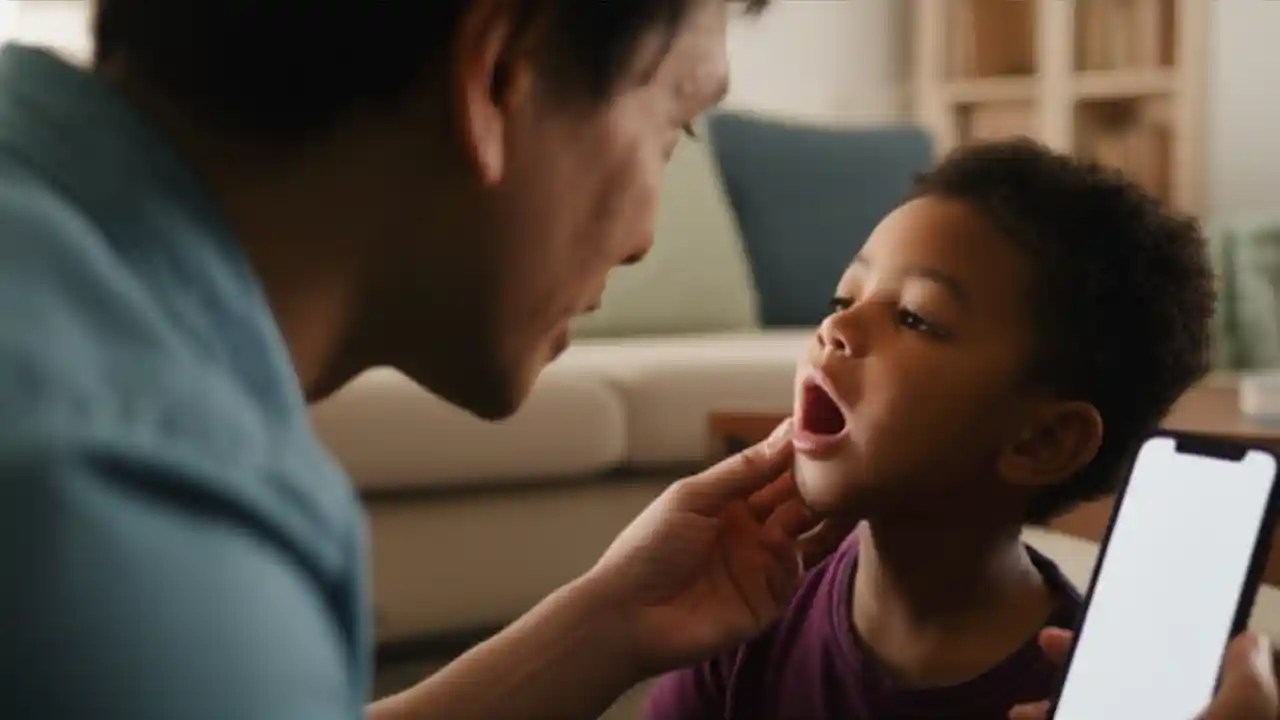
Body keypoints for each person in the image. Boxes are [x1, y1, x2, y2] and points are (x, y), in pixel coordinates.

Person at [0, 2, 1272, 718]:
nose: (653, 221)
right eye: (675, 123)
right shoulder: (130, 531)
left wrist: (603, 624)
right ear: (497, 72)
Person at [642, 140, 1235, 720]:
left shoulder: (1085, 694)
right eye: (842, 297)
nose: (837, 327)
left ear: (1041, 441)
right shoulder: (748, 612)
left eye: (914, 317)